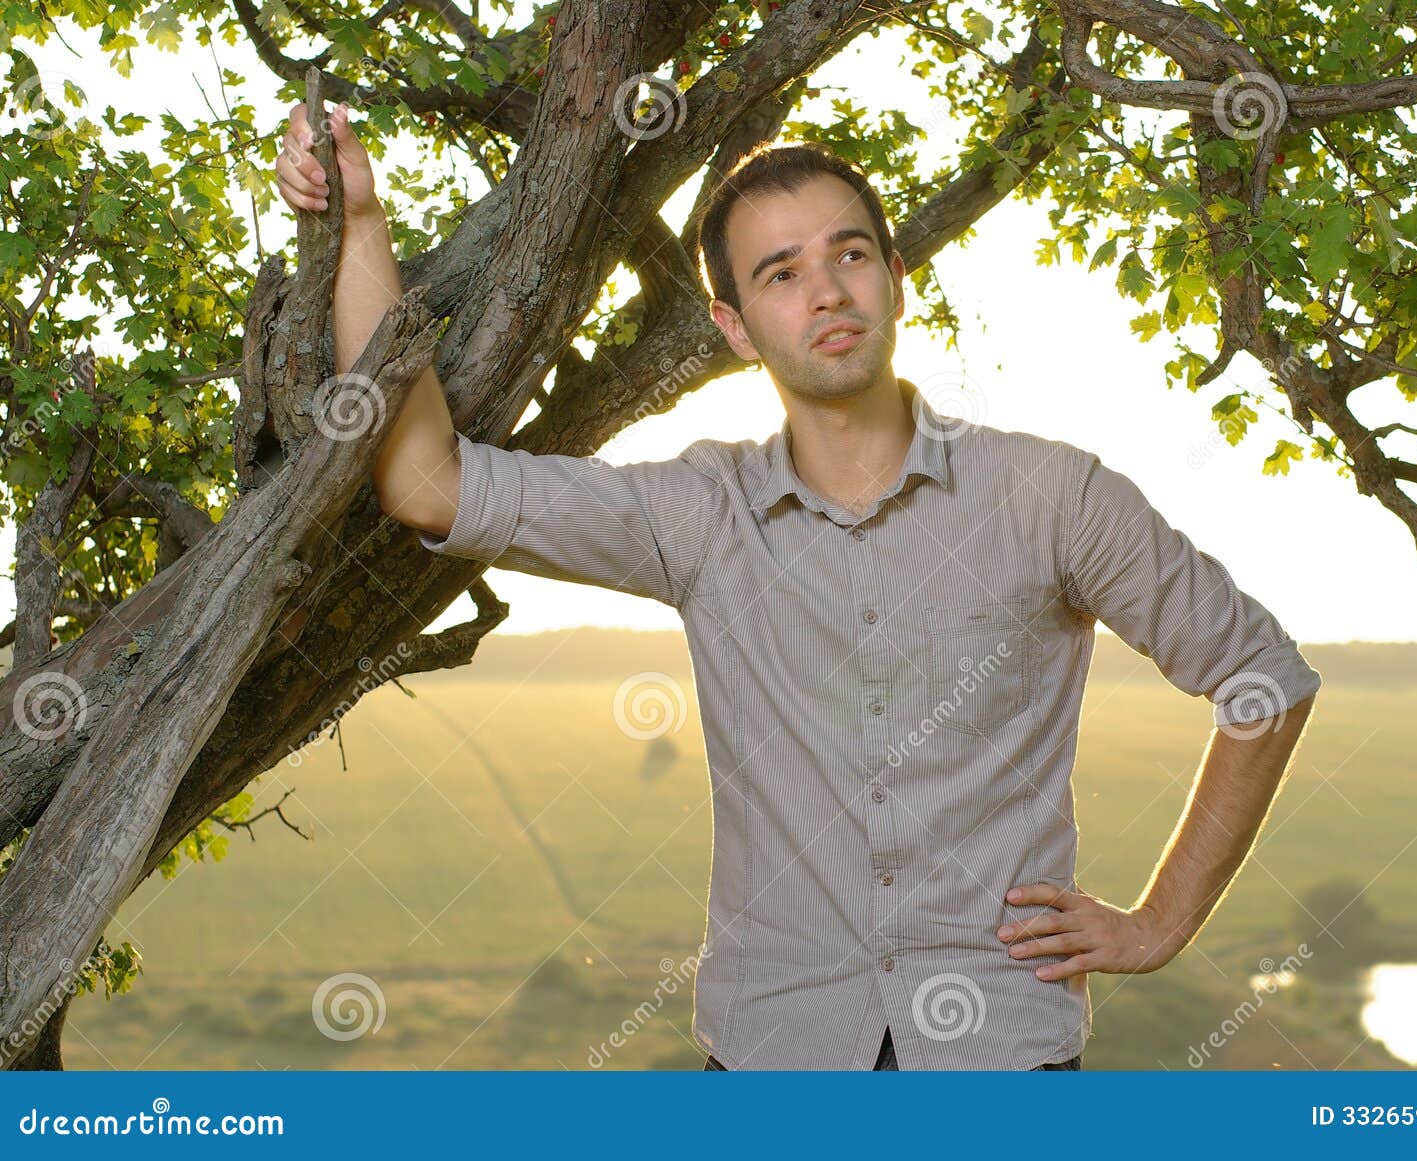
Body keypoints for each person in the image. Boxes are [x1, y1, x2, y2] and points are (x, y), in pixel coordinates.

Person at [274, 102, 1320, 1071]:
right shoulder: (701, 513)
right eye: (779, 273)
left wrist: (1157, 922)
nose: (825, 291)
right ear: (734, 328)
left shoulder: (1049, 494)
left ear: (894, 278)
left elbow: (1261, 679)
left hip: (1005, 1061)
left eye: (849, 255)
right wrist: (362, 227)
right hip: (772, 1056)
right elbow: (422, 481)